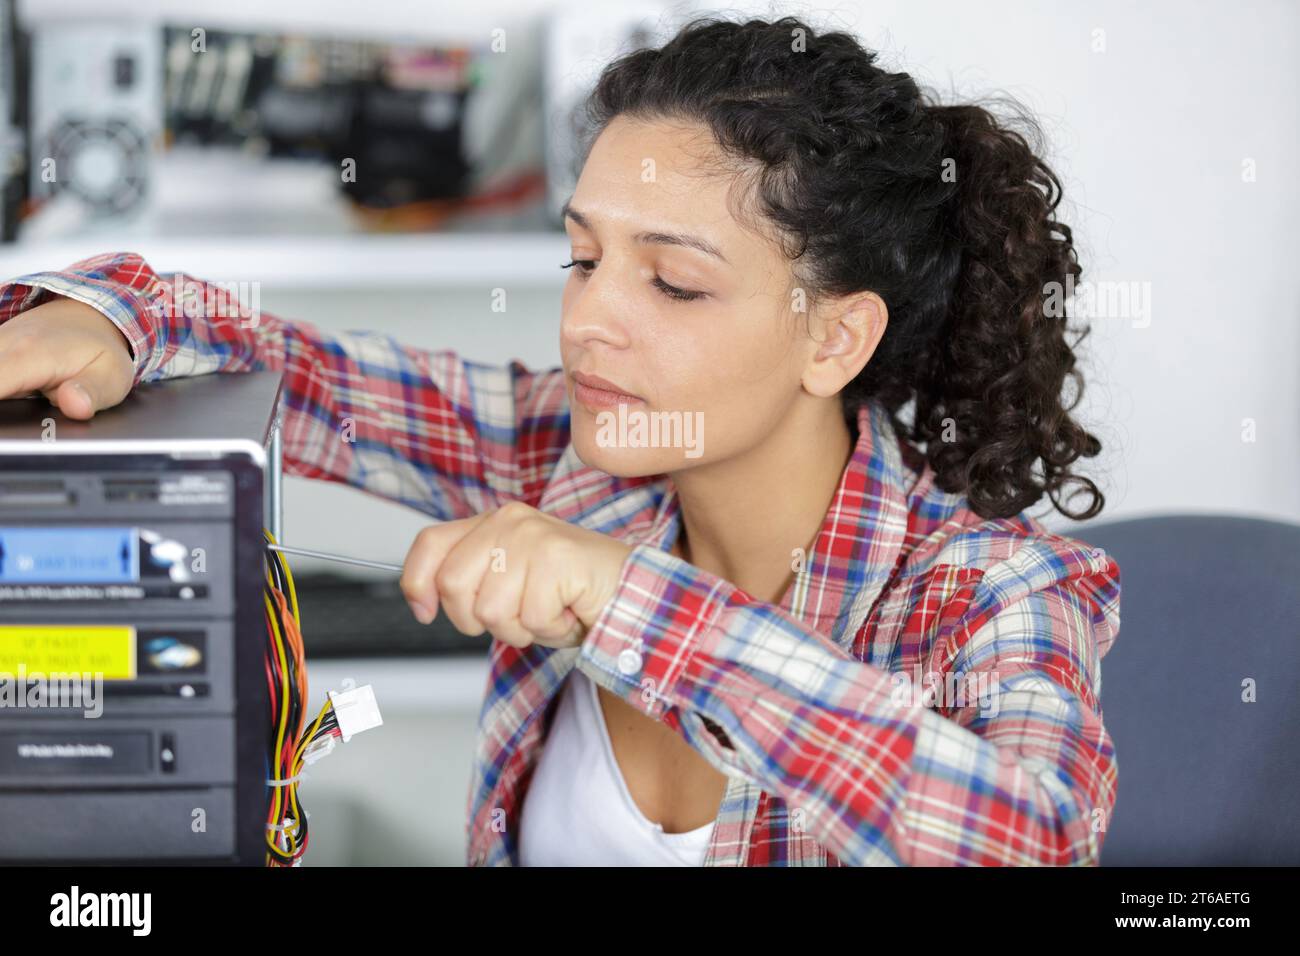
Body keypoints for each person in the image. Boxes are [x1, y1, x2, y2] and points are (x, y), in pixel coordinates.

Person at [0, 15, 1120, 866]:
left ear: (833, 337)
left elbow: (1031, 838)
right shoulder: (571, 455)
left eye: (674, 283)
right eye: (582, 260)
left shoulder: (989, 590)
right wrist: (108, 319)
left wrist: (630, 601)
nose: (587, 320)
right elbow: (278, 358)